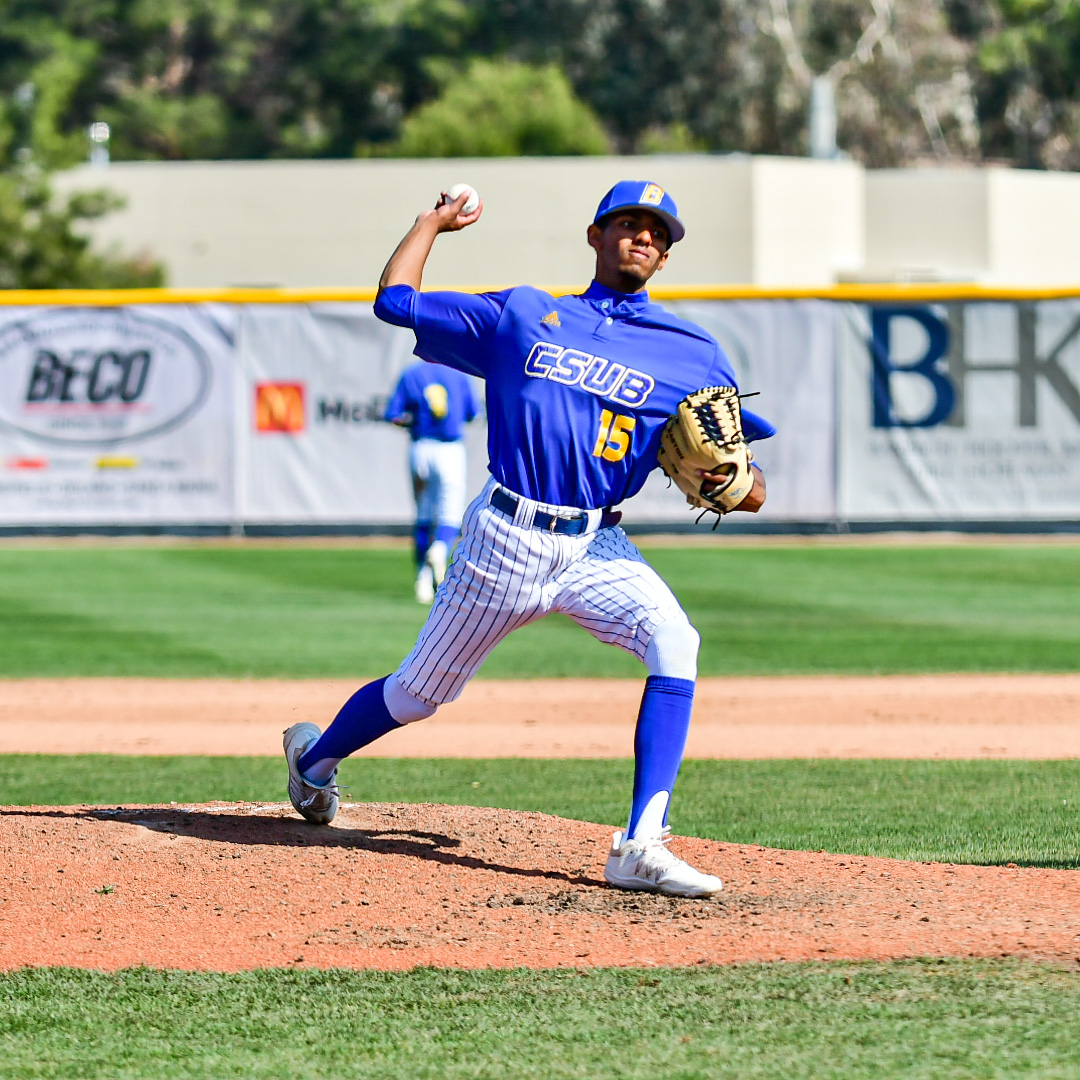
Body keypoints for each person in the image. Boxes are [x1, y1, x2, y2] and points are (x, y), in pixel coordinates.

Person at [284, 180, 775, 898]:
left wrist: (738, 484)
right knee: (419, 695)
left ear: (666, 256)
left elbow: (748, 480)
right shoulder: (524, 314)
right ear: (595, 236)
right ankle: (314, 763)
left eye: (658, 233)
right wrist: (430, 225)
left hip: (597, 546)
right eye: (629, 224)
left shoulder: (693, 354)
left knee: (677, 641)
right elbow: (395, 302)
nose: (643, 238)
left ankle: (640, 845)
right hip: (506, 535)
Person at [384, 359, 479, 603]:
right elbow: (472, 413)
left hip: (421, 449)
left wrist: (416, 420)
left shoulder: (412, 373)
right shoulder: (459, 372)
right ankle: (439, 548)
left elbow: (393, 415)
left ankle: (422, 582)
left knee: (424, 515)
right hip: (449, 450)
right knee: (450, 513)